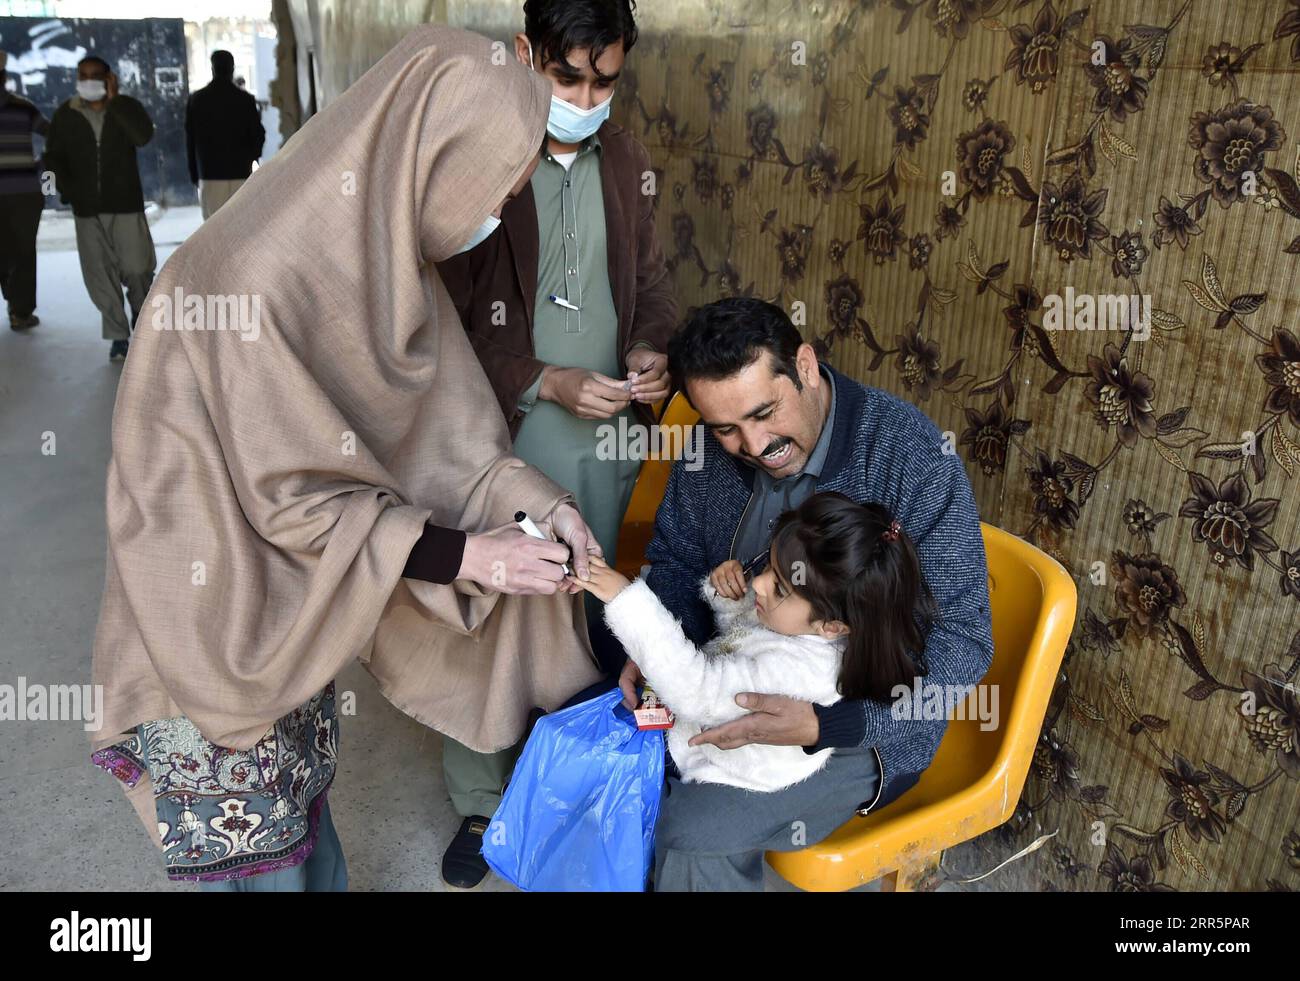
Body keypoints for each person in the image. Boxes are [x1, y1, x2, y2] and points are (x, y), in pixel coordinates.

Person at [89, 26, 604, 891]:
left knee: (302, 832)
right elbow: (295, 503)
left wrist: (537, 504)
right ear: (436, 155)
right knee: (253, 856)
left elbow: (450, 437)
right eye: (499, 186)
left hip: (302, 621)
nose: (498, 210)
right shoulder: (241, 282)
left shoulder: (381, 260)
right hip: (214, 633)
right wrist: (476, 556)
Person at [618, 296, 994, 890]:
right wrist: (659, 644)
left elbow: (965, 643)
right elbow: (677, 560)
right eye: (725, 428)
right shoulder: (708, 449)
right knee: (608, 744)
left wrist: (833, 725)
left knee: (694, 834)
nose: (753, 444)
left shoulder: (910, 455)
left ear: (807, 366)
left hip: (860, 724)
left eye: (765, 412)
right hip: (730, 673)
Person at [434, 0, 676, 888]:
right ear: (526, 54)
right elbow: (443, 321)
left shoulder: (625, 159)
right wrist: (547, 380)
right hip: (504, 430)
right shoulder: (478, 161)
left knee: (586, 602)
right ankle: (478, 795)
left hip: (606, 436)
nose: (584, 95)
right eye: (567, 76)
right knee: (491, 608)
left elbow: (650, 281)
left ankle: (565, 772)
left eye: (604, 80)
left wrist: (652, 351)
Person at [580, 492, 935, 795]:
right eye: (770, 566)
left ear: (833, 626)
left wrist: (625, 598)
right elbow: (744, 643)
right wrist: (730, 600)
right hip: (696, 716)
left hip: (715, 768)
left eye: (780, 586)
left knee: (591, 757)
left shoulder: (799, 674)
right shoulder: (805, 624)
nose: (760, 584)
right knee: (602, 652)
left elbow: (697, 691)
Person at [42, 55, 155, 361]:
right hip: (86, 210)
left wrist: (116, 101)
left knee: (138, 267)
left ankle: (138, 308)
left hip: (126, 205)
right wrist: (57, 193)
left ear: (109, 78)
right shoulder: (66, 114)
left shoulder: (126, 107)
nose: (88, 80)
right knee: (99, 274)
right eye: (83, 75)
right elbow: (51, 159)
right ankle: (118, 335)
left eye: (95, 75)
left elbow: (143, 136)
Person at [0, 49, 49, 331]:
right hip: (24, 193)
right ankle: (19, 310)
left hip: (24, 193)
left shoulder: (24, 107)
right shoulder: (24, 107)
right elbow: (53, 136)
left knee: (16, 253)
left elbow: (54, 137)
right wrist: (39, 166)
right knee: (22, 252)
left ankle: (17, 305)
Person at [185, 49, 265, 219]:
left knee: (214, 231)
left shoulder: (197, 100)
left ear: (212, 69)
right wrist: (251, 157)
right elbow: (258, 135)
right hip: (240, 173)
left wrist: (195, 174)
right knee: (242, 227)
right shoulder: (246, 100)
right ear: (232, 69)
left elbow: (190, 140)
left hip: (210, 174)